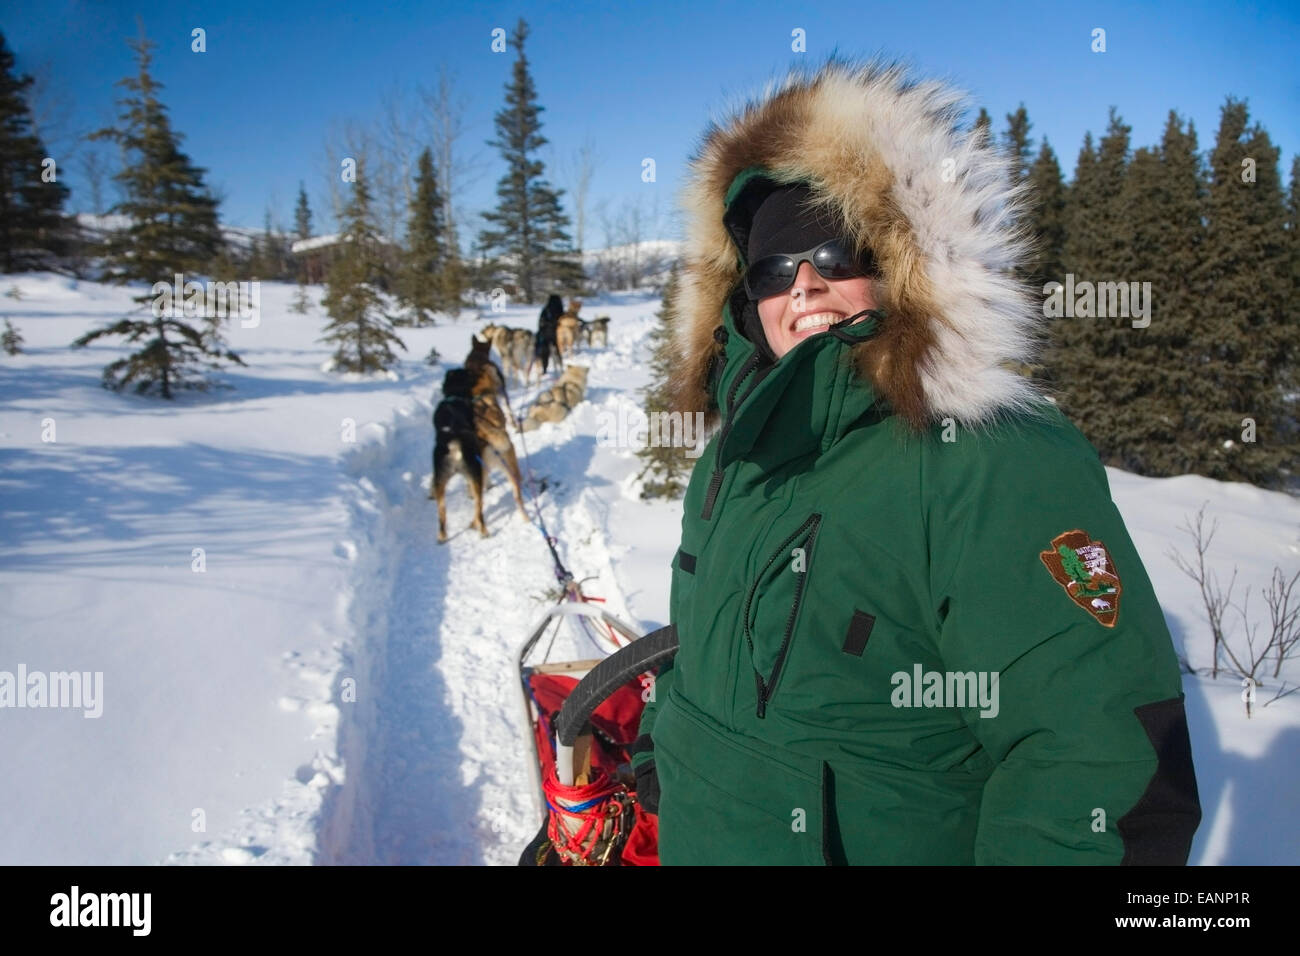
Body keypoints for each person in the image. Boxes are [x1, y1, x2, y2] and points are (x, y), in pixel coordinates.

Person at [630, 61, 1202, 865]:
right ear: (741, 298)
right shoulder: (734, 457)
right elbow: (694, 645)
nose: (804, 290)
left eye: (835, 255)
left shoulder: (988, 463)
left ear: (899, 262)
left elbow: (1095, 758)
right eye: (771, 270)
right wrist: (662, 753)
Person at [530, 293, 565, 382]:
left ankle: (544, 369)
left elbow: (540, 323)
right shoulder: (560, 310)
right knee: (556, 352)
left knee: (544, 353)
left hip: (544, 334)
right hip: (555, 334)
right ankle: (560, 368)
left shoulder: (546, 309)